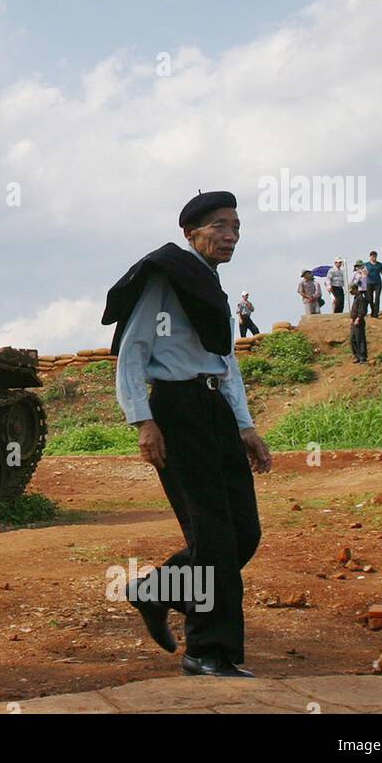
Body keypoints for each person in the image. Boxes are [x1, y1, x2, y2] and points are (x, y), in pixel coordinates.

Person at [104, 190, 271, 678]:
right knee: (213, 536)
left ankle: (154, 592)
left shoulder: (211, 289)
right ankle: (207, 652)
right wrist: (143, 421)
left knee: (243, 532)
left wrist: (246, 424)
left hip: (215, 407)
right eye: (220, 225)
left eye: (236, 227)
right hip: (177, 410)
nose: (230, 235)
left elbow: (227, 363)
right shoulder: (166, 278)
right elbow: (132, 351)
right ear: (191, 232)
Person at [349, 281, 369, 363]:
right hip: (354, 320)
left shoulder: (361, 298)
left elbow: (362, 310)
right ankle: (357, 355)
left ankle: (362, 357)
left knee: (360, 339)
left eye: (351, 290)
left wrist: (358, 318)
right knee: (353, 339)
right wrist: (352, 319)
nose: (350, 292)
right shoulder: (355, 298)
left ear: (355, 289)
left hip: (359, 321)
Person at [364, 251, 382, 317]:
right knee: (370, 299)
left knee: (377, 298)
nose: (374, 258)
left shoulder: (379, 264)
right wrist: (366, 274)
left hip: (378, 283)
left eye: (375, 257)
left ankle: (376, 312)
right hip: (369, 283)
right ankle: (373, 310)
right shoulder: (366, 264)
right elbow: (364, 274)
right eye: (373, 257)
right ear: (370, 257)